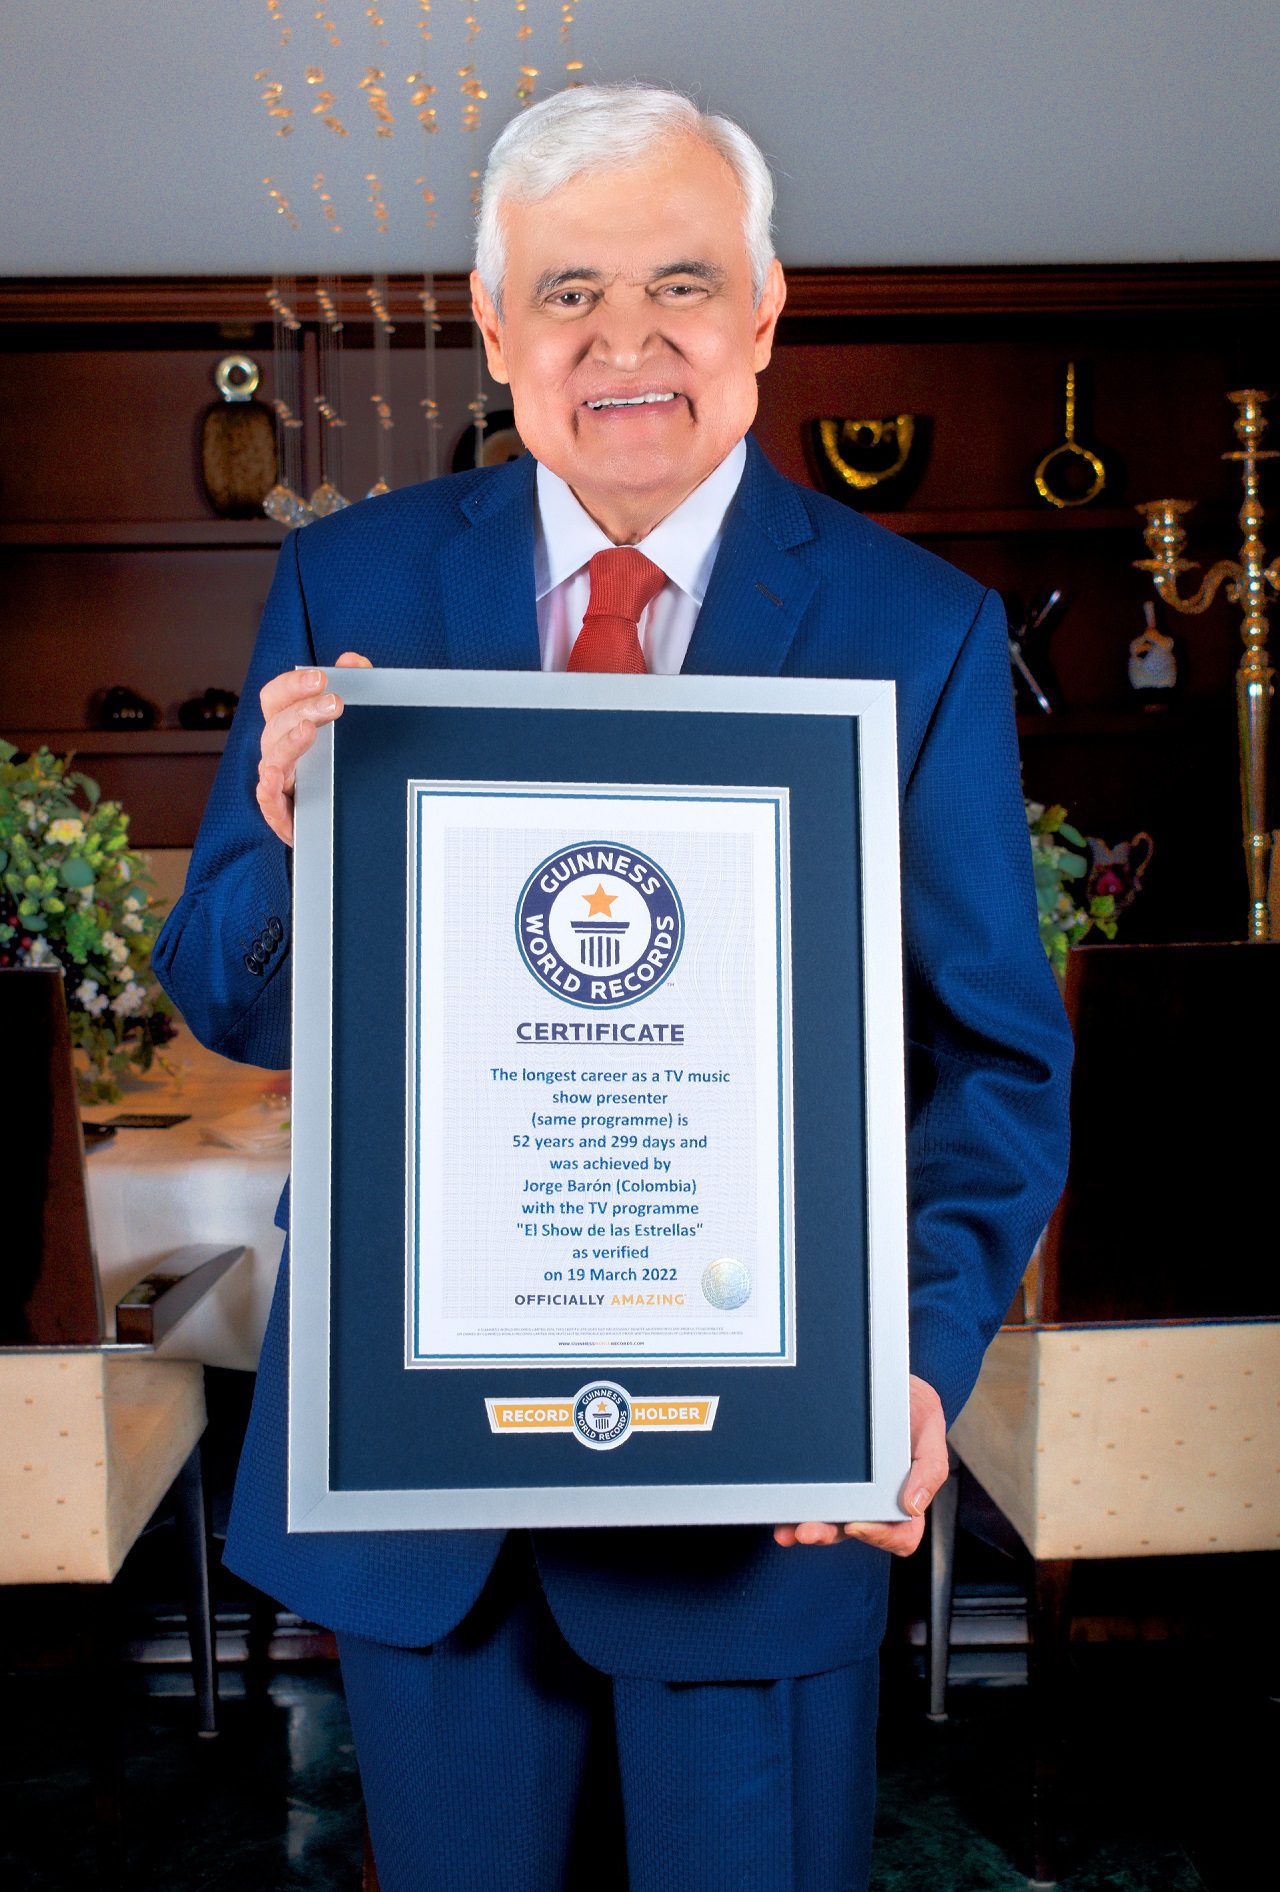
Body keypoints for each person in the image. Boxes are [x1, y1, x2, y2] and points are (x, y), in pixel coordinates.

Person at [153, 83, 1072, 1892]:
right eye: (568, 293)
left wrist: (915, 1350)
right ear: (495, 329)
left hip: (760, 1494)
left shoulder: (918, 628)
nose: (626, 341)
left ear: (766, 309)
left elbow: (995, 1062)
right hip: (433, 1493)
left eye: (681, 283)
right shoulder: (353, 579)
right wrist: (281, 838)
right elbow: (231, 1001)